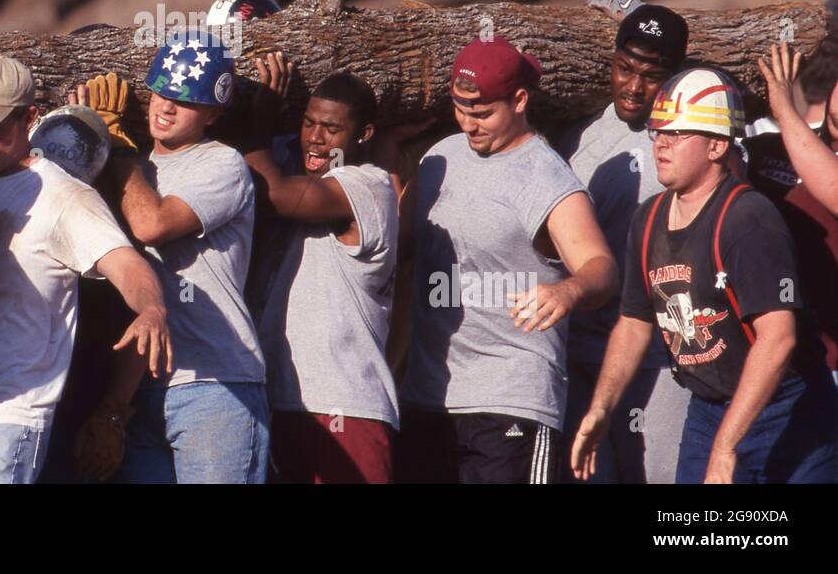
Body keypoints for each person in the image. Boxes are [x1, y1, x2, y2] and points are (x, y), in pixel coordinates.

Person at [0, 56, 171, 484]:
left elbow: (128, 266)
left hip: (8, 418)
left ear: (29, 117)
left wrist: (151, 309)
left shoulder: (65, 197)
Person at [573, 67, 838, 483]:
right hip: (709, 407)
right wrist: (602, 407)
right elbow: (634, 320)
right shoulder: (648, 218)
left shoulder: (748, 220)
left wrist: (726, 447)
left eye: (677, 133)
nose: (661, 143)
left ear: (717, 146)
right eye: (658, 131)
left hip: (788, 408)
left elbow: (779, 337)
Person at [397, 35, 617, 484]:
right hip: (429, 396)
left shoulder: (546, 177)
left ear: (519, 101)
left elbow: (602, 268)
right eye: (460, 111)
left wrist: (568, 289)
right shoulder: (439, 157)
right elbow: (402, 247)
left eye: (481, 114)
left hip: (511, 399)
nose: (468, 125)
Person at [76, 35, 269, 485]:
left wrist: (118, 148)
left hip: (217, 387)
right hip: (142, 391)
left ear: (214, 113)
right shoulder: (135, 167)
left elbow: (151, 225)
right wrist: (115, 407)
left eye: (186, 100)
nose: (166, 106)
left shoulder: (222, 164)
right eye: (162, 91)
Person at [244, 55, 400, 483]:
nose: (315, 138)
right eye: (308, 123)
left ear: (363, 134)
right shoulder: (309, 172)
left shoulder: (367, 187)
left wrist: (258, 114)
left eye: (331, 129)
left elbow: (273, 191)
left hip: (345, 407)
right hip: (279, 402)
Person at [556, 0, 692, 483]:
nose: (633, 87)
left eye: (652, 75)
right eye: (623, 68)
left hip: (659, 358)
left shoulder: (690, 140)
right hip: (577, 356)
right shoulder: (581, 135)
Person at [751, 41, 838, 388]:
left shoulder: (795, 136)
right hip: (763, 360)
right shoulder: (774, 145)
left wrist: (784, 110)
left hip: (829, 367)